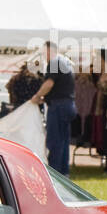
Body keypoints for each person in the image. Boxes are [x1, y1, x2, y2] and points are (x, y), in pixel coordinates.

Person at [28, 41, 76, 175]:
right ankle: (63, 172)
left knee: (54, 141)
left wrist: (37, 96)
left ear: (50, 51)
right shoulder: (65, 63)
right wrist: (45, 98)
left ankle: (54, 173)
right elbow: (62, 88)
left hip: (59, 107)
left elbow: (49, 84)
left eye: (44, 52)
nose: (43, 55)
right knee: (64, 141)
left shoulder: (54, 63)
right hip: (68, 105)